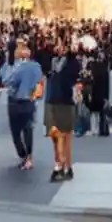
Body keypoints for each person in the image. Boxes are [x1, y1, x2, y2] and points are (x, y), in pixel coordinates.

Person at [43, 39, 83, 182]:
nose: (59, 48)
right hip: (52, 100)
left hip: (66, 102)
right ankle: (60, 164)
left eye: (62, 45)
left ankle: (65, 167)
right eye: (57, 44)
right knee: (55, 136)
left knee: (65, 137)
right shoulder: (53, 61)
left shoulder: (73, 63)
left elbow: (78, 82)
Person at [2, 43, 44, 171]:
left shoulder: (15, 66)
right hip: (29, 101)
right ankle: (28, 157)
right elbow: (40, 82)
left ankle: (24, 155)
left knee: (16, 132)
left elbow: (7, 81)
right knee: (27, 129)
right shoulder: (36, 66)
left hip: (15, 101)